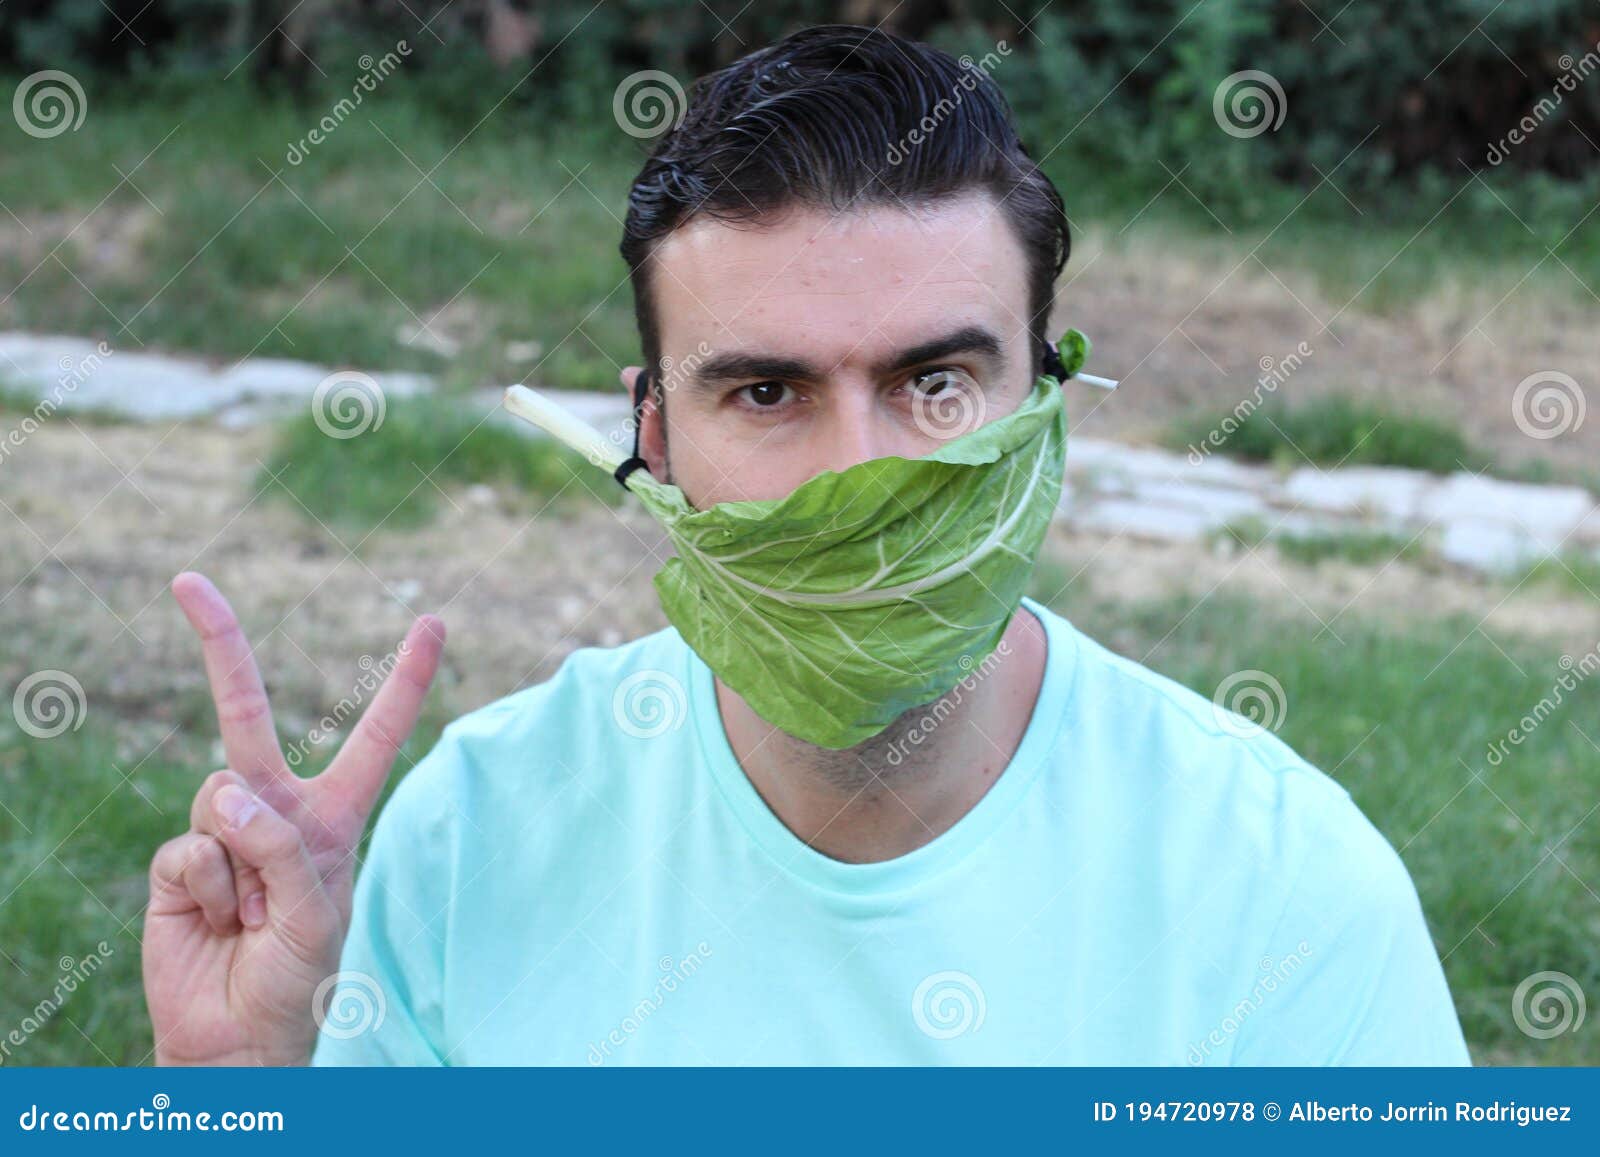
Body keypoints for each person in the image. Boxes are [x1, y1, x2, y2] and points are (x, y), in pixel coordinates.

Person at [144, 24, 1470, 1066]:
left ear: (1048, 405)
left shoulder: (1288, 892)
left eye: (936, 381)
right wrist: (245, 1088)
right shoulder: (475, 838)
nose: (864, 472)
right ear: (652, 440)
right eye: (767, 393)